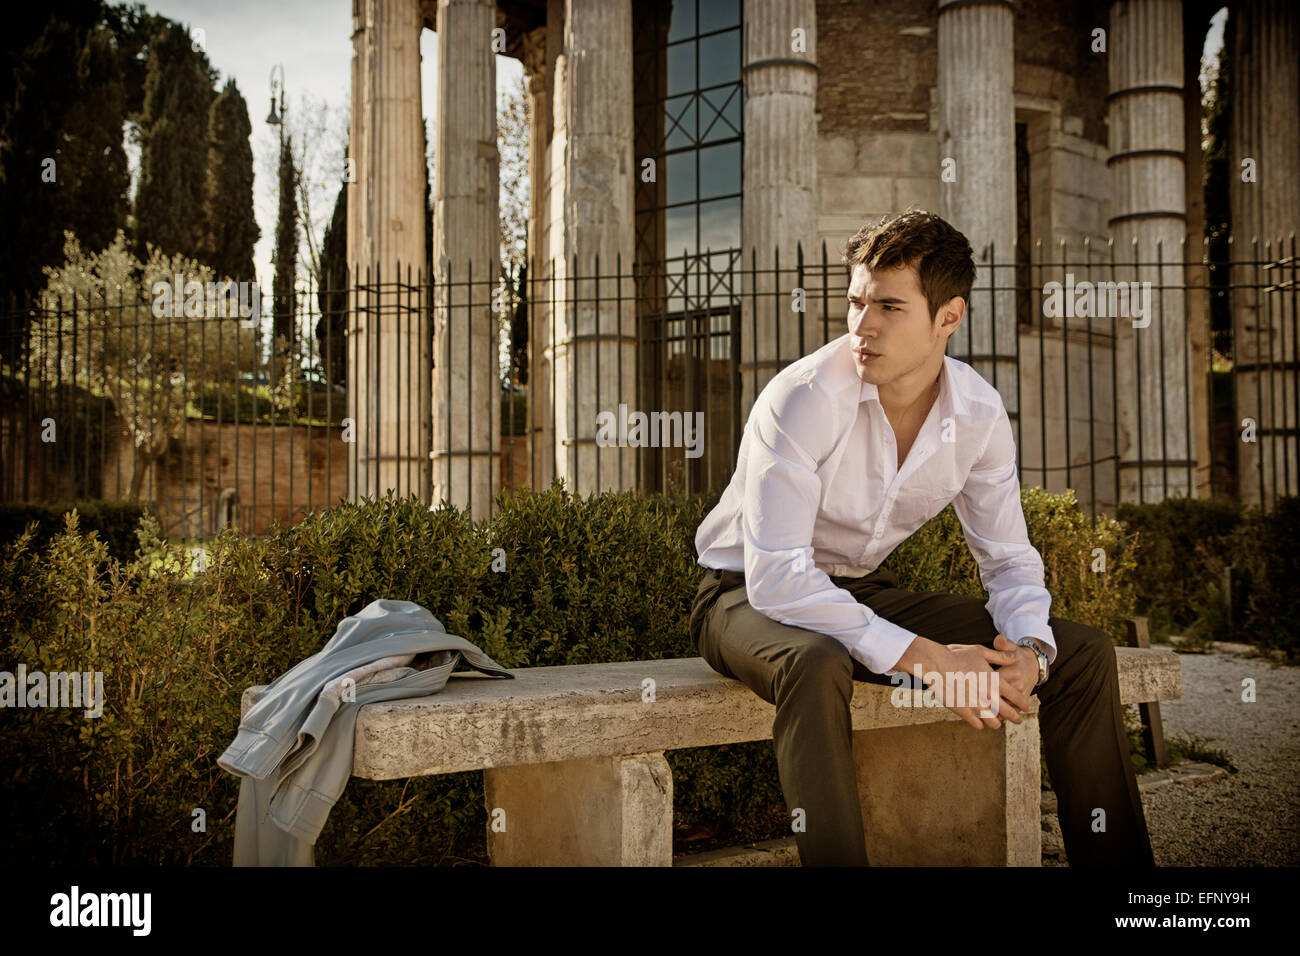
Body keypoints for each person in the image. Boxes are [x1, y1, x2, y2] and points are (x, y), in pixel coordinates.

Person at [690, 209, 1155, 866]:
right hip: (744, 598)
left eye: (888, 306)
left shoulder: (979, 414)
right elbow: (780, 578)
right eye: (855, 302)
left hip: (859, 592)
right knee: (815, 661)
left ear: (949, 317)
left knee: (1080, 653)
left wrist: (1028, 649)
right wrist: (928, 659)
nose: (862, 325)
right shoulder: (803, 398)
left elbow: (1008, 558)